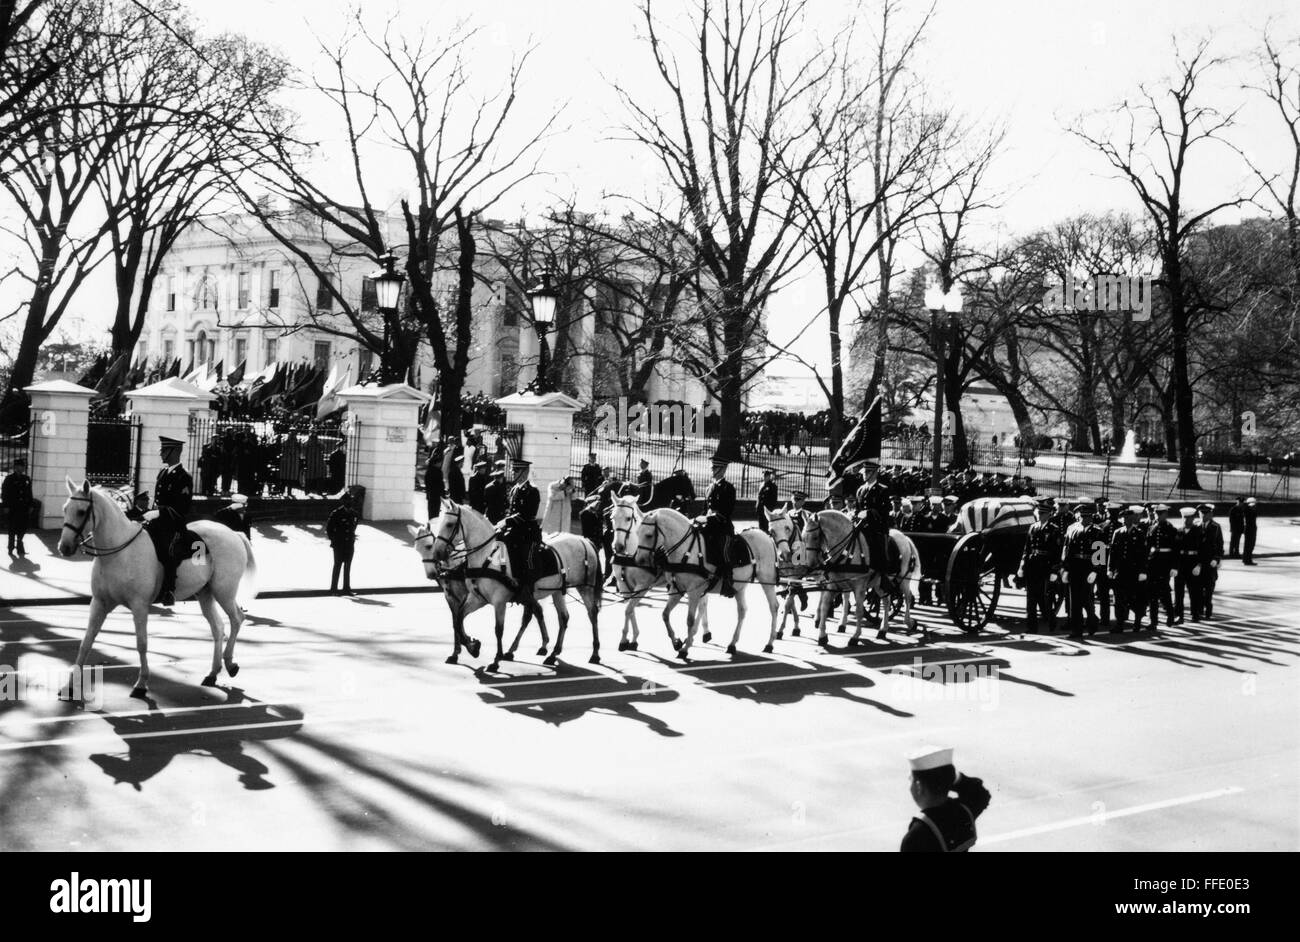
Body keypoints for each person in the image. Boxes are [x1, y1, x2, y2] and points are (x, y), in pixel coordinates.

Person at [900, 746, 991, 853]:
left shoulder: (915, 837)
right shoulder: (962, 812)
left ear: (919, 786)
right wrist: (952, 779)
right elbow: (980, 793)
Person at [145, 436, 194, 606]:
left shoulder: (184, 476)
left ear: (175, 451)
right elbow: (158, 500)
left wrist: (160, 513)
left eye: (164, 450)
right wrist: (150, 512)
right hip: (157, 521)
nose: (161, 454)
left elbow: (182, 508)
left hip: (173, 525)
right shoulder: (163, 472)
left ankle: (169, 590)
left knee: (168, 552)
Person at [497, 460, 542, 604]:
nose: (513, 472)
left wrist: (507, 522)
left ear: (524, 472)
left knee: (525, 558)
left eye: (516, 470)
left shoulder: (532, 490)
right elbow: (509, 511)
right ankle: (504, 574)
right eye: (513, 470)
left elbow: (527, 514)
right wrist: (502, 523)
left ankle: (524, 586)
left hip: (527, 532)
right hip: (515, 530)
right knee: (498, 539)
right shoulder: (514, 489)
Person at [1018, 497, 1062, 632]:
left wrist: (1055, 570)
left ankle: (1051, 619)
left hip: (1046, 566)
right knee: (1031, 597)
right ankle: (1031, 627)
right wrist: (1022, 566)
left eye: (1043, 513)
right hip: (1032, 565)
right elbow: (1027, 548)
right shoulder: (1033, 527)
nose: (1040, 515)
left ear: (1049, 514)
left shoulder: (1054, 529)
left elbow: (1057, 552)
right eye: (1039, 513)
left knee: (1045, 597)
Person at [1061, 501, 1101, 637]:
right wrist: (1065, 568)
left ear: (1091, 517)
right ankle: (1076, 630)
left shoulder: (1097, 531)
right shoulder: (1072, 529)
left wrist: (1095, 570)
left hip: (1088, 567)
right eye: (1082, 517)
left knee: (1087, 598)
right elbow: (1066, 550)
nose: (1084, 519)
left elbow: (1099, 554)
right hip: (1075, 567)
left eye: (1087, 517)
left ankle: (1092, 622)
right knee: (1074, 600)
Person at [1108, 506, 1148, 633]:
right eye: (1125, 518)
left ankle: (1137, 621)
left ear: (1133, 519)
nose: (1126, 521)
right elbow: (1112, 553)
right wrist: (1110, 568)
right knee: (1118, 599)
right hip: (1120, 571)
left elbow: (1143, 554)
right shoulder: (1118, 533)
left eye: (1129, 518)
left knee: (1133, 599)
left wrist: (1142, 571)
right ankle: (1119, 624)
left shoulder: (1140, 534)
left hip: (1133, 571)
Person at [702, 457, 737, 597]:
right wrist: (700, 519)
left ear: (723, 469)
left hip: (722, 527)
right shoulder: (709, 488)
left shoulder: (728, 488)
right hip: (708, 525)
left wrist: (710, 518)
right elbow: (704, 509)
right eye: (712, 468)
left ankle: (728, 582)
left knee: (724, 550)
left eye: (715, 468)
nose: (712, 470)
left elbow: (726, 512)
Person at [1145, 504, 1179, 630]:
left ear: (1166, 514)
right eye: (1156, 514)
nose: (1157, 516)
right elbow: (1148, 547)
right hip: (1153, 562)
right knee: (1152, 592)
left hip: (1166, 562)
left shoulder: (1170, 529)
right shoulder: (1152, 528)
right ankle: (1153, 620)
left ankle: (1170, 616)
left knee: (1164, 590)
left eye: (1160, 514)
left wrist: (1174, 567)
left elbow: (1176, 550)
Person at [1173, 507, 1202, 624]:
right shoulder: (1178, 531)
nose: (1186, 520)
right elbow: (1175, 550)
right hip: (1181, 563)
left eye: (1189, 518)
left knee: (1194, 591)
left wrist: (1199, 564)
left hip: (1193, 563)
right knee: (1178, 592)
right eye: (1184, 517)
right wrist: (1174, 566)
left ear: (1193, 518)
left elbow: (1202, 550)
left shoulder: (1198, 531)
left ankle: (1195, 614)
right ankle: (1179, 615)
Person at [325, 495, 359, 595]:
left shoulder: (354, 513)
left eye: (350, 501)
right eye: (347, 501)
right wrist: (334, 540)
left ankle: (346, 588)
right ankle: (334, 589)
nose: (349, 503)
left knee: (348, 566)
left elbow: (354, 526)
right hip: (339, 544)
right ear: (343, 502)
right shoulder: (336, 513)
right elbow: (329, 529)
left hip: (349, 543)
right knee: (338, 565)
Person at [2, 458, 34, 557]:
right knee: (12, 528)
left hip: (24, 508)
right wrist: (6, 505)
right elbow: (4, 493)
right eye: (20, 466)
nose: (22, 468)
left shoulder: (26, 479)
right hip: (13, 507)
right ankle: (10, 547)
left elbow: (29, 493)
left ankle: (20, 545)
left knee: (23, 527)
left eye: (23, 466)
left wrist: (31, 505)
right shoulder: (9, 479)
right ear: (15, 468)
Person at [1196, 503, 1223, 618]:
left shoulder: (1216, 527)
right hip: (1199, 562)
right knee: (1198, 586)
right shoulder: (1196, 526)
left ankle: (1208, 609)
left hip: (1210, 562)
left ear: (1211, 514)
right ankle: (1200, 608)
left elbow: (1219, 545)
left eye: (1205, 513)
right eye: (1201, 513)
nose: (1203, 516)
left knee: (1209, 587)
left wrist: (1216, 559)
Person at [483, 460, 510, 524]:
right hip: (497, 510)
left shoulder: (502, 478)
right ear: (498, 467)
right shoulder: (492, 477)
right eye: (502, 467)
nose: (503, 468)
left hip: (494, 510)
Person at [755, 468, 779, 535]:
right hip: (760, 509)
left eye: (766, 476)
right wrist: (757, 506)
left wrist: (770, 509)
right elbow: (759, 497)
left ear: (769, 476)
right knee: (760, 525)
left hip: (767, 509)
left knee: (766, 526)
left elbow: (774, 499)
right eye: (763, 476)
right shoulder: (762, 484)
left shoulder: (773, 486)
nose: (764, 477)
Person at [424, 446, 445, 521]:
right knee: (435, 515)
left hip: (430, 495)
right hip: (436, 496)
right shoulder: (438, 472)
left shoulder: (428, 471)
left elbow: (427, 484)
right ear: (437, 462)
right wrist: (443, 494)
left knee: (431, 514)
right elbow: (441, 485)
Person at [1242, 496, 1258, 565]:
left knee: (1249, 545)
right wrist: (1250, 506)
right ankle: (1247, 560)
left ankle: (1246, 559)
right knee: (1249, 545)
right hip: (1250, 529)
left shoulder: (1250, 510)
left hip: (1251, 529)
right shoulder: (1249, 510)